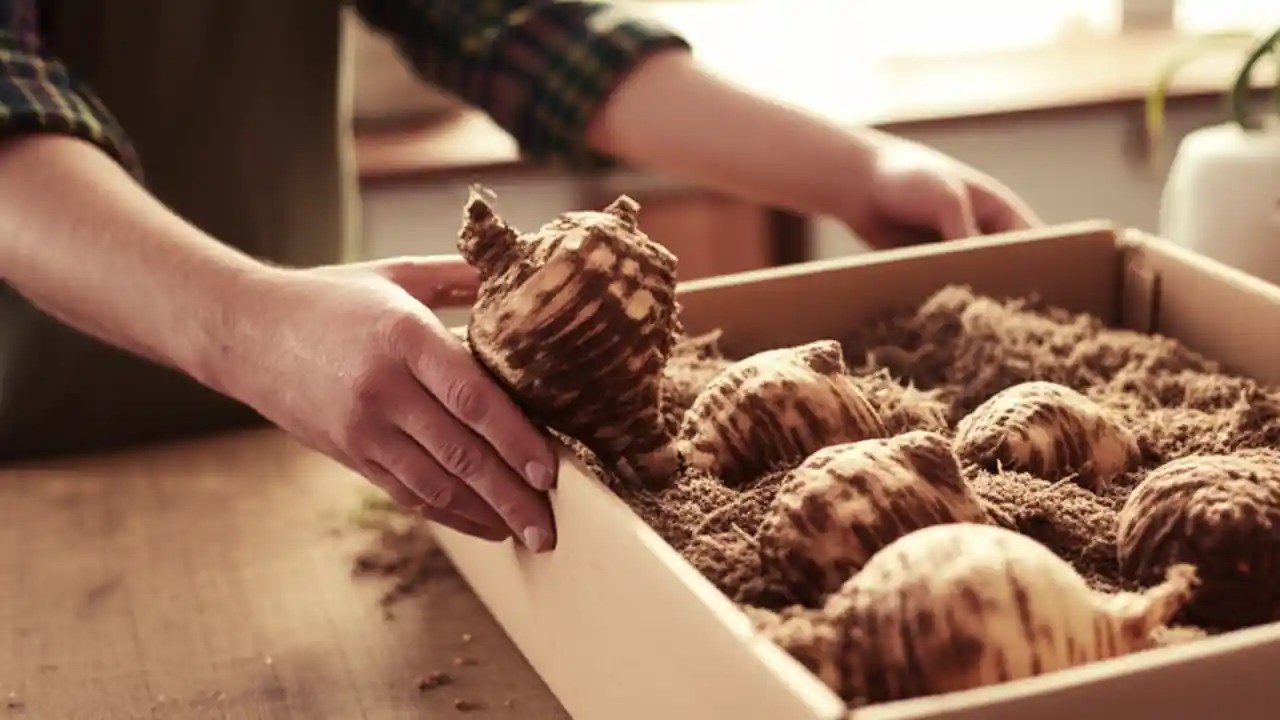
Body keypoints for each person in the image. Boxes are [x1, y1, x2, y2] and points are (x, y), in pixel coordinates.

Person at [0, 1, 1041, 554]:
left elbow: (523, 32)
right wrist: (249, 326)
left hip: (306, 439)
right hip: (36, 465)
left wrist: (859, 168)